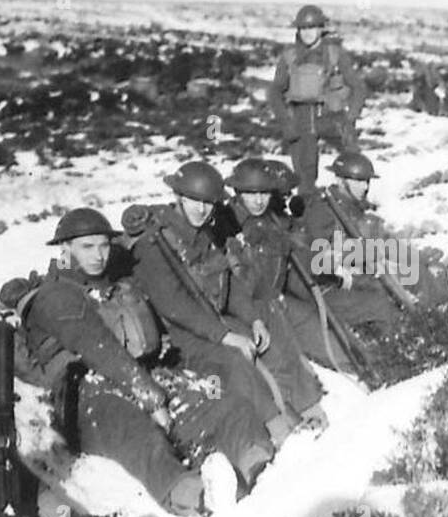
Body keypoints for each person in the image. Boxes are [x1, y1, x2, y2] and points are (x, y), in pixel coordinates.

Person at [5, 207, 266, 516]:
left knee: (221, 401)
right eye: (87, 247)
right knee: (141, 434)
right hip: (88, 396)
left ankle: (255, 466)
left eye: (104, 245)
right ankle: (191, 496)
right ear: (65, 249)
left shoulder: (118, 284)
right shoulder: (56, 296)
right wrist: (154, 400)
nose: (99, 255)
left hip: (143, 374)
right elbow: (100, 350)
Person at [127, 161, 324, 449]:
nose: (202, 209)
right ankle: (275, 425)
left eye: (208, 202)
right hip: (182, 336)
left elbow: (227, 282)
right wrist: (225, 336)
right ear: (179, 198)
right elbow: (173, 305)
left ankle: (303, 405)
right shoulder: (154, 243)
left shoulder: (206, 233)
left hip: (212, 319)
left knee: (264, 333)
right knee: (233, 359)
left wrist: (253, 319)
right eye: (194, 200)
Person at [224, 158, 353, 378]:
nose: (258, 201)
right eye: (251, 194)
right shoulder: (225, 224)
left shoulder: (272, 220)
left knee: (341, 351)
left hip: (277, 301)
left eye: (264, 193)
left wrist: (333, 268)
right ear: (237, 191)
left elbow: (299, 248)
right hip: (247, 312)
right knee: (297, 375)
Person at [299, 151, 448, 328]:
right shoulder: (322, 210)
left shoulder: (355, 211)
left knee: (423, 272)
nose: (365, 187)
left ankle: (445, 320)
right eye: (358, 181)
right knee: (392, 295)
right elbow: (324, 255)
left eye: (366, 181)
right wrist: (363, 254)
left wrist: (418, 258)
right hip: (339, 280)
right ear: (341, 181)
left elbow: (385, 243)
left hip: (367, 271)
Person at [267, 4, 367, 192]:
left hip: (331, 116)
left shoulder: (335, 54)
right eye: (303, 28)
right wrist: (285, 122)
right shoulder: (290, 56)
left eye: (312, 27)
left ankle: (355, 205)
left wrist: (350, 119)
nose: (307, 33)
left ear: (321, 29)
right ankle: (308, 215)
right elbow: (275, 91)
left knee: (354, 165)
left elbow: (358, 87)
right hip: (301, 116)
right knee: (305, 176)